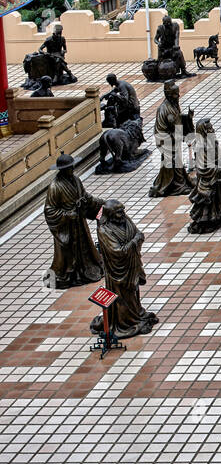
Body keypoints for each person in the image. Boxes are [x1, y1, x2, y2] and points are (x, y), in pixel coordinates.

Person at [91, 200, 158, 340]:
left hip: (131, 265)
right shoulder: (104, 230)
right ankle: (125, 322)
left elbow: (137, 232)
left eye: (122, 211)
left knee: (133, 294)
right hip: (118, 272)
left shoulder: (124, 220)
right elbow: (118, 251)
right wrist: (135, 241)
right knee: (122, 298)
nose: (122, 214)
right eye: (118, 212)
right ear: (110, 214)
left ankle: (136, 314)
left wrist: (136, 238)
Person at [43, 154, 103, 289]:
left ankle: (85, 270)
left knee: (85, 247)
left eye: (72, 167)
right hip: (67, 225)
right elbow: (49, 210)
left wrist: (99, 203)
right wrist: (67, 214)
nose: (72, 169)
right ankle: (68, 273)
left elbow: (85, 196)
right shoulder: (55, 187)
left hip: (79, 222)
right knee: (67, 252)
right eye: (69, 167)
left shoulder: (75, 180)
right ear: (63, 169)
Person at [150, 80, 194, 197]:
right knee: (173, 163)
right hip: (168, 141)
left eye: (178, 93)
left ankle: (181, 183)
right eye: (175, 94)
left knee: (178, 163)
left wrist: (188, 117)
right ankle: (177, 186)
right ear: (169, 95)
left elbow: (178, 119)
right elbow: (159, 130)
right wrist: (172, 137)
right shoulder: (163, 109)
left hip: (175, 139)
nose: (178, 96)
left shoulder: (174, 104)